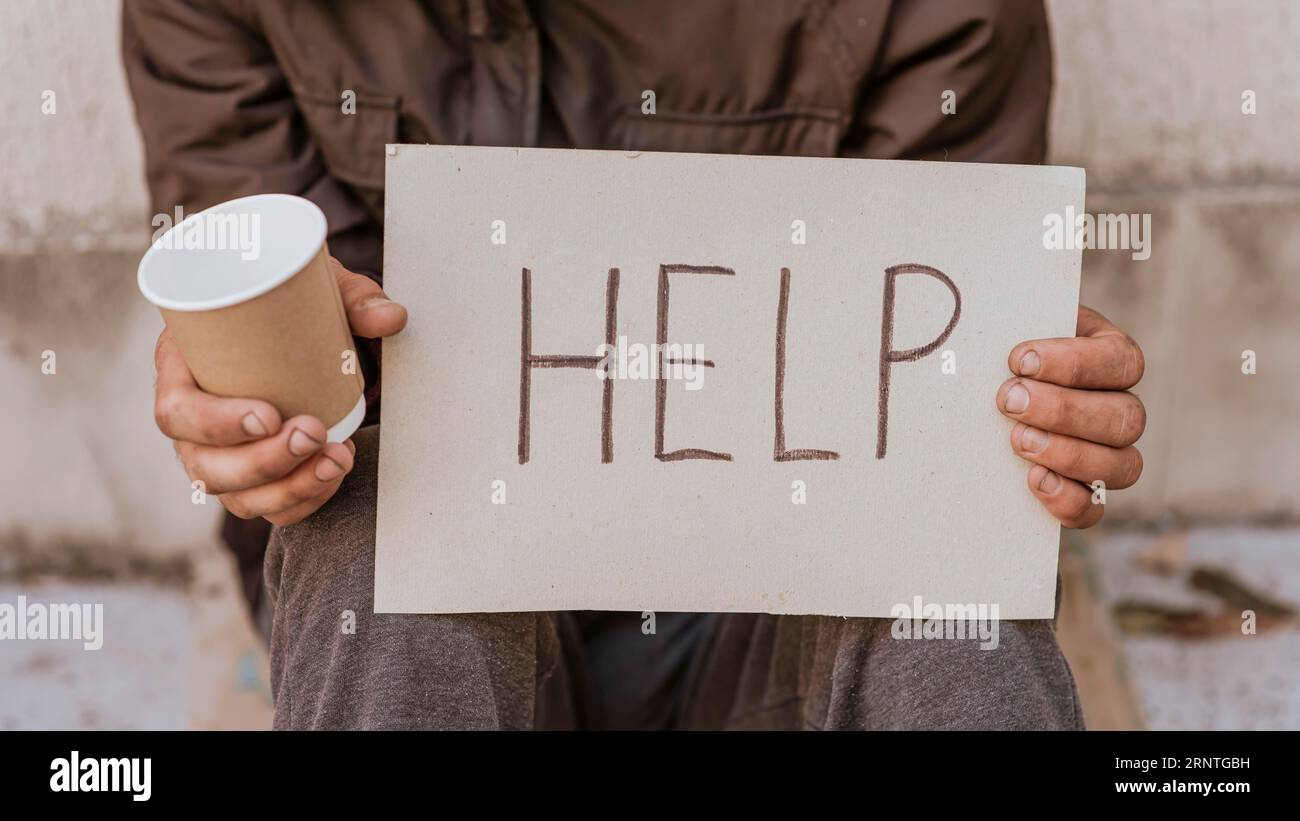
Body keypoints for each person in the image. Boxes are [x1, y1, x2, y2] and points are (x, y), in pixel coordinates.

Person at [123, 0, 1145, 729]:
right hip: (428, 628)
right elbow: (259, 334)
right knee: (371, 535)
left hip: (773, 612)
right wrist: (248, 402)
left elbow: (942, 382)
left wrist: (1023, 404)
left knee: (950, 581)